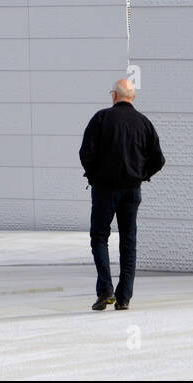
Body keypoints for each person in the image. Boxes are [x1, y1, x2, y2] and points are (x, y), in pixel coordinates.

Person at [79, 78, 165, 311]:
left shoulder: (101, 118)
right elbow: (159, 160)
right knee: (128, 241)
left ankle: (105, 290)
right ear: (133, 97)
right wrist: (141, 174)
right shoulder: (144, 123)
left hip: (104, 189)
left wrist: (94, 175)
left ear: (114, 96)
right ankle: (124, 297)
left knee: (99, 237)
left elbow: (85, 153)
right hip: (131, 190)